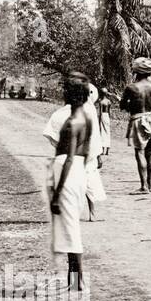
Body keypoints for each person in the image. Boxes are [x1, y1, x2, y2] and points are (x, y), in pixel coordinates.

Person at [42, 76, 107, 221]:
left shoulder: (63, 113)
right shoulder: (89, 113)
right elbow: (95, 138)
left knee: (70, 185)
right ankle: (92, 213)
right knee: (89, 181)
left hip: (67, 156)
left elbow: (52, 136)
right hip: (84, 155)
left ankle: (71, 212)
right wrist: (98, 155)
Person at [49, 77, 92, 292]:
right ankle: (73, 279)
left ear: (73, 95)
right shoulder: (86, 118)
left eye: (66, 91)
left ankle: (78, 280)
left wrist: (56, 193)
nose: (63, 94)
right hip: (78, 171)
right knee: (69, 224)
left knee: (71, 227)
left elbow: (68, 157)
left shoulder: (73, 122)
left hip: (68, 171)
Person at [120, 57, 151, 193]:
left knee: (139, 152)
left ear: (136, 72)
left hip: (138, 120)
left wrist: (131, 105)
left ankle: (144, 186)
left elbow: (122, 105)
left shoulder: (131, 87)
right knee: (149, 152)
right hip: (150, 119)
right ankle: (150, 184)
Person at [97, 89, 113, 157]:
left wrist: (99, 121)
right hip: (107, 117)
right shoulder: (109, 101)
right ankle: (107, 151)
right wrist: (109, 119)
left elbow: (100, 113)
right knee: (107, 132)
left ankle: (103, 150)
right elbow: (109, 112)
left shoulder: (101, 102)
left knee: (102, 132)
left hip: (103, 116)